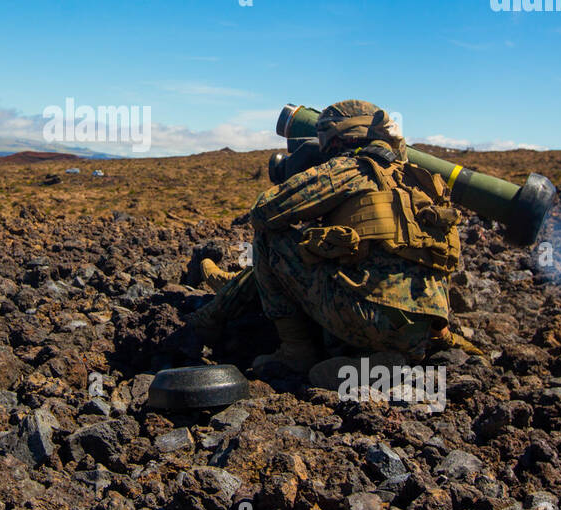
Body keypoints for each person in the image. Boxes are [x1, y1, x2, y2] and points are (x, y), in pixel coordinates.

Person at [193, 99, 480, 376]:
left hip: (371, 321)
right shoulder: (415, 177)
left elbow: (264, 212)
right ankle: (399, 353)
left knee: (273, 238)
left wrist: (300, 173)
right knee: (333, 245)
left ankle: (297, 353)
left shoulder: (350, 169)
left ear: (334, 137)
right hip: (424, 326)